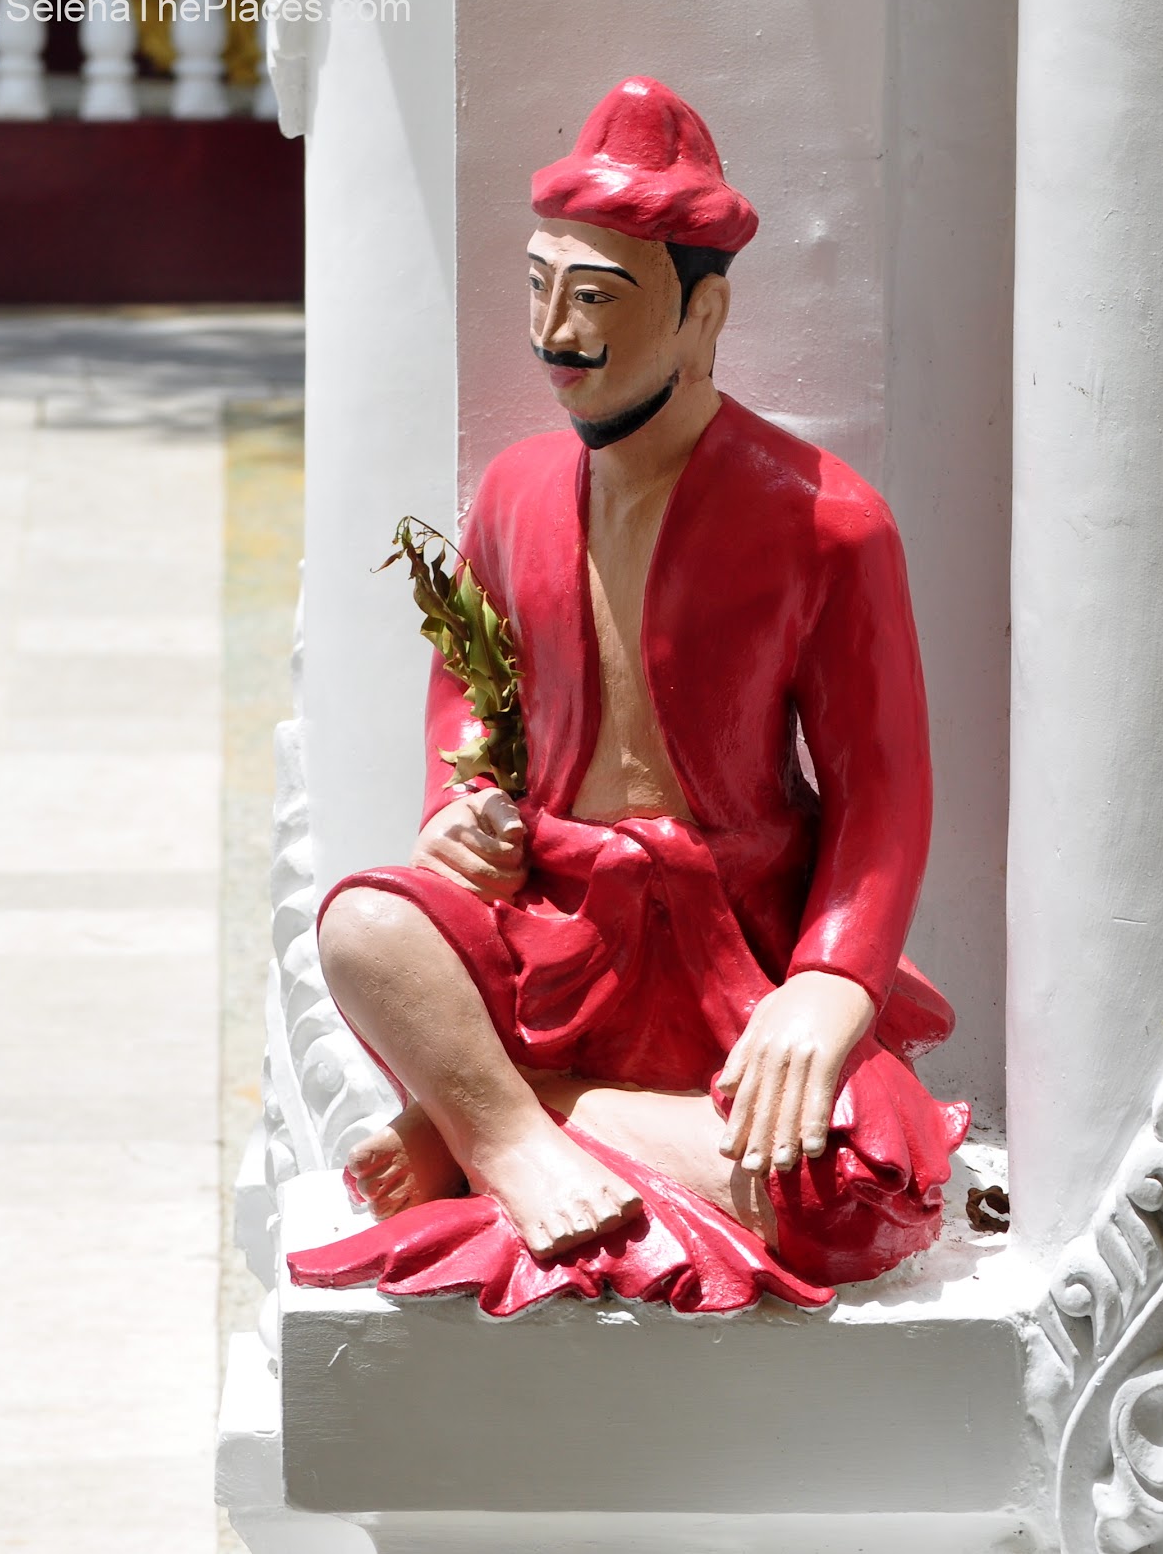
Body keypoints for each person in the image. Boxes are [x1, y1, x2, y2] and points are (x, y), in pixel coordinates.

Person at [289, 77, 969, 1316]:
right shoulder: (514, 492)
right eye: (540, 287)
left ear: (702, 315)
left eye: (596, 297)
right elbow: (469, 708)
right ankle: (513, 1138)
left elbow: (883, 788)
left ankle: (508, 1113)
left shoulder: (827, 522)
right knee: (361, 927)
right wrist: (466, 808)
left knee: (859, 1185)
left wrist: (830, 981)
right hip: (553, 929)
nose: (557, 331)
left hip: (734, 952)